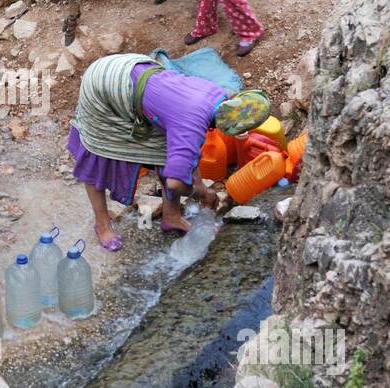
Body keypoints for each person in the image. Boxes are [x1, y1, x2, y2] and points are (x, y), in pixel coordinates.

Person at [67, 52, 271, 244]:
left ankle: (171, 216)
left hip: (133, 69)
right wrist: (199, 192)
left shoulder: (217, 93)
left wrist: (199, 184)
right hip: (103, 86)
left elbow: (185, 154)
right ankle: (102, 226)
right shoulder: (191, 123)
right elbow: (175, 183)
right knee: (98, 154)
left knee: (167, 151)